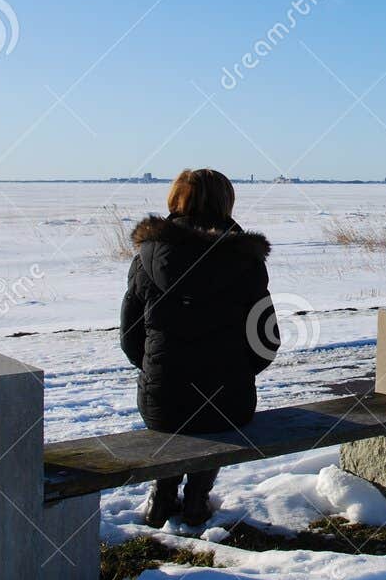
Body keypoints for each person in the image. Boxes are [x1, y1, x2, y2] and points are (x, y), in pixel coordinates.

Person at [119, 168, 279, 527]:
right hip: (228, 401)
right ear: (226, 203)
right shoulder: (246, 261)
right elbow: (266, 340)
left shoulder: (147, 257)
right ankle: (196, 498)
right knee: (216, 416)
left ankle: (162, 495)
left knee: (177, 416)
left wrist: (157, 369)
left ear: (176, 200)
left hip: (162, 401)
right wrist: (234, 372)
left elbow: (130, 337)